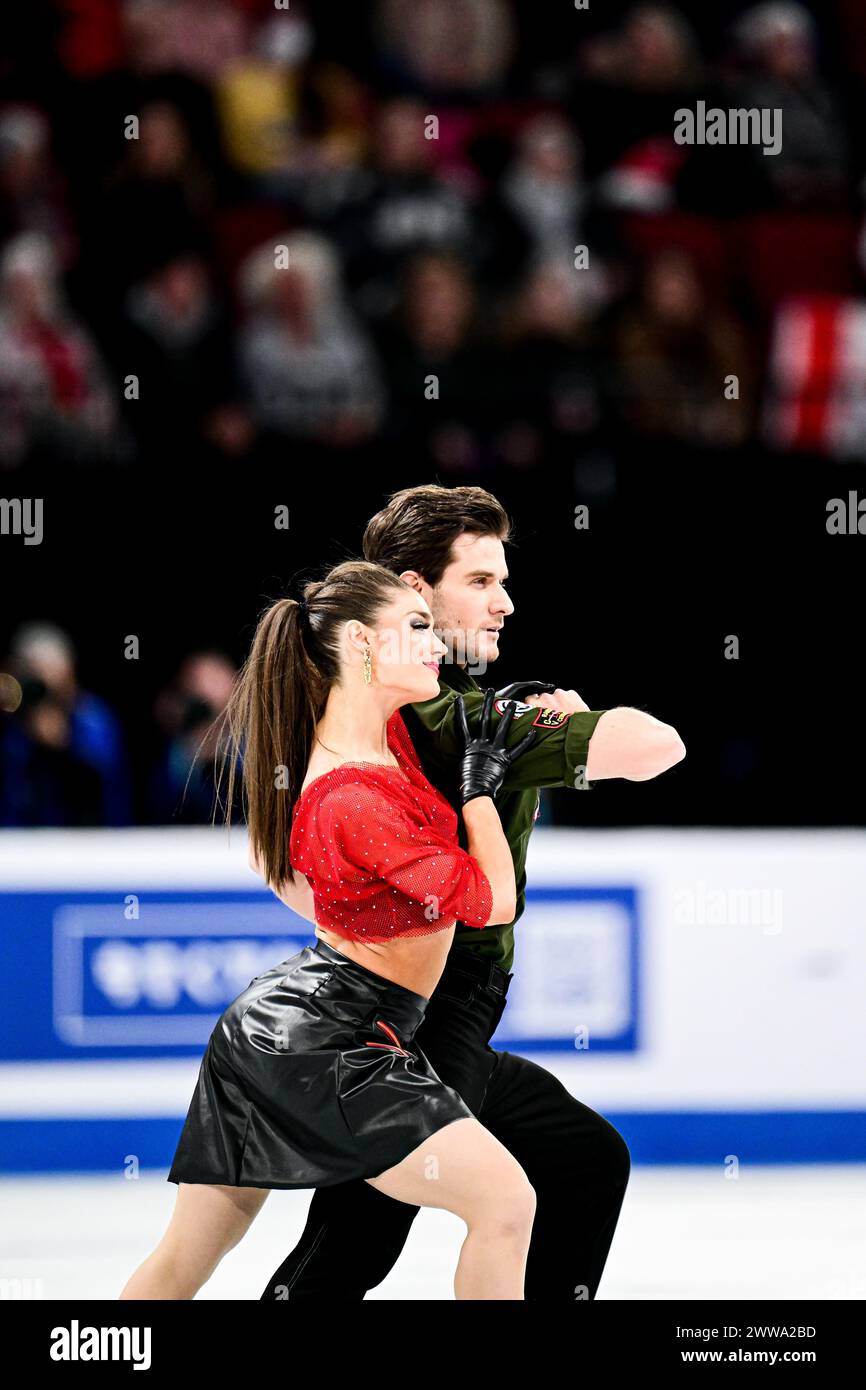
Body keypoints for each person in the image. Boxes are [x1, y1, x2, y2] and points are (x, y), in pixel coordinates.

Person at [259, 484, 685, 1302]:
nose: (505, 601)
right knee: (357, 1239)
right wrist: (562, 722)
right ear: (416, 592)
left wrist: (365, 952)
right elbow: (657, 747)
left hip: (405, 1006)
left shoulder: (340, 714)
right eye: (481, 581)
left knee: (581, 1157)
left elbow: (273, 859)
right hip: (440, 1013)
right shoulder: (471, 726)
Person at [119, 559, 539, 1300]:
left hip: (294, 1027)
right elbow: (493, 900)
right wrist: (480, 794)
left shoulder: (382, 744)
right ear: (360, 644)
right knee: (506, 1202)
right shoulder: (354, 794)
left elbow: (271, 855)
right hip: (328, 1042)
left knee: (184, 1260)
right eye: (415, 627)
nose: (436, 641)